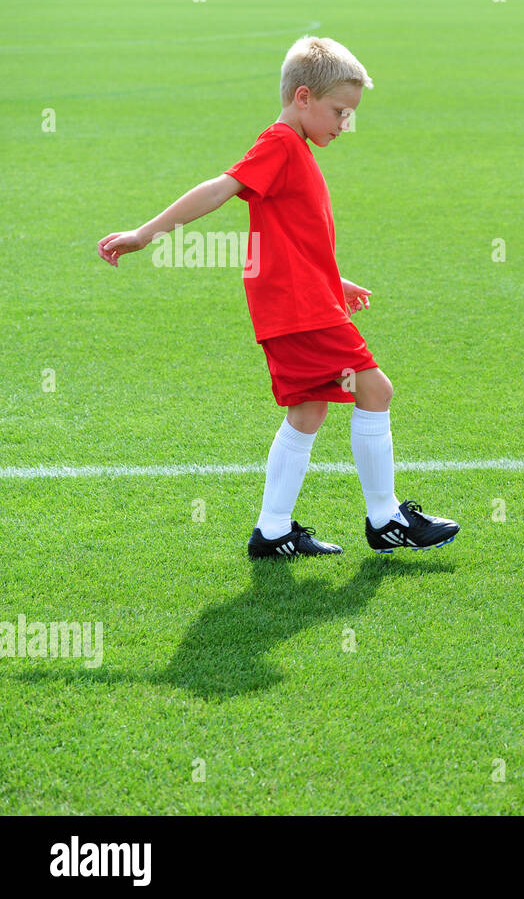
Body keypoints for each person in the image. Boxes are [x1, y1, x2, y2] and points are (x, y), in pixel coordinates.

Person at [97, 36, 459, 559]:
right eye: (340, 111)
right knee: (375, 391)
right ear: (304, 97)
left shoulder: (297, 151)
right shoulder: (281, 144)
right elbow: (218, 189)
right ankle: (386, 519)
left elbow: (296, 243)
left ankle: (272, 530)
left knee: (309, 409)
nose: (345, 123)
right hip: (300, 311)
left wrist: (338, 282)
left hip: (303, 303)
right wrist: (143, 234)